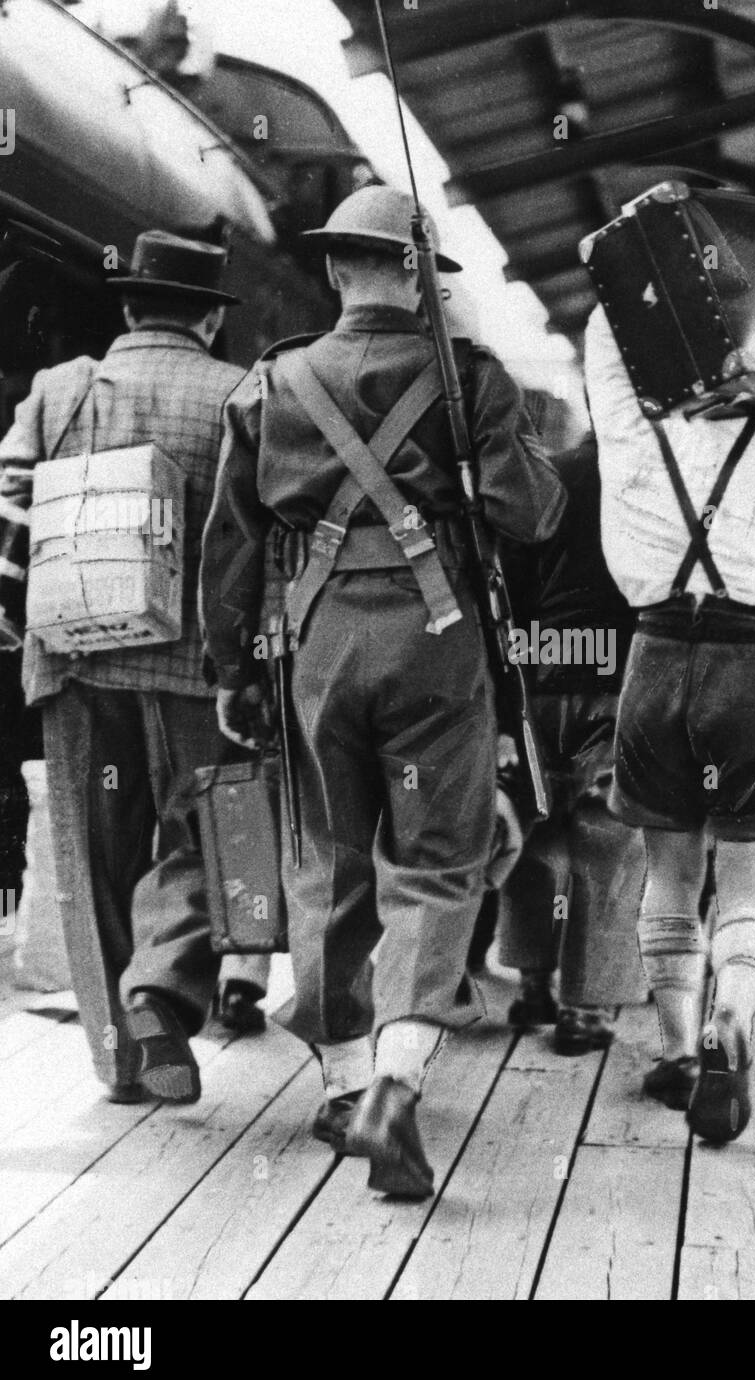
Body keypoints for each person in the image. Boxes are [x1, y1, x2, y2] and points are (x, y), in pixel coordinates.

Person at [200, 185, 564, 1197]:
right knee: (439, 862)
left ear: (331, 268)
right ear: (418, 274)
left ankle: (341, 1081)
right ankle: (399, 1085)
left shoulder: (270, 385)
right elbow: (529, 514)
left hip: (313, 645)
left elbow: (229, 547)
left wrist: (233, 671)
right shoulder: (470, 381)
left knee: (326, 858)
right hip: (437, 645)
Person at [0, 231, 244, 1103]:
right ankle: (163, 992)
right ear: (210, 320)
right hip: (196, 667)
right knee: (204, 838)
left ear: (131, 307)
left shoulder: (57, 390)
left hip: (76, 659)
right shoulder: (238, 394)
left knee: (93, 860)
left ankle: (119, 1063)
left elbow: (11, 515)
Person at [585, 302, 755, 1144]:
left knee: (670, 868)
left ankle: (679, 1047)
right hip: (753, 661)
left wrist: (644, 266)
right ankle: (733, 1013)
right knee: (752, 877)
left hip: (656, 659)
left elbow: (606, 340)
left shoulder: (628, 428)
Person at [497, 434, 648, 1054]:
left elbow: (510, 587)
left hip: (541, 673)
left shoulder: (548, 475)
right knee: (609, 838)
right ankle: (585, 1007)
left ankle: (533, 980)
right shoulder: (655, 477)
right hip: (624, 676)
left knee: (536, 827)